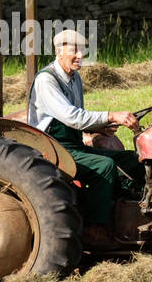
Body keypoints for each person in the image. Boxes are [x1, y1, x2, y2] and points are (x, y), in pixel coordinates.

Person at [27, 29, 143, 245]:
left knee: (131, 160)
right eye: (75, 51)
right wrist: (110, 115)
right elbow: (71, 117)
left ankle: (130, 211)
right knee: (105, 165)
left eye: (83, 51)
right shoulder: (47, 80)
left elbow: (76, 120)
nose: (80, 56)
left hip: (72, 143)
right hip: (54, 147)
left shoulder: (74, 78)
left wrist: (100, 128)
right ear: (60, 51)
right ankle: (94, 228)